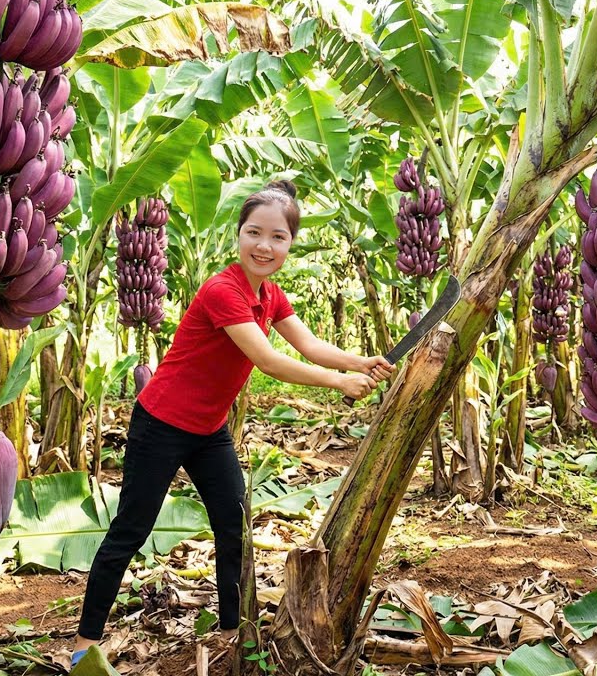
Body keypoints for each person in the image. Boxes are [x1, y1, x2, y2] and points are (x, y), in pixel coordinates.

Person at [71, 181, 393, 665]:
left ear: (290, 243)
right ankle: (84, 646)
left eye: (278, 236)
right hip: (161, 423)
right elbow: (267, 360)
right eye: (254, 232)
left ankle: (231, 631)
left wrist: (358, 361)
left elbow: (307, 345)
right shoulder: (223, 290)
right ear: (238, 235)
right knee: (130, 531)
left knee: (233, 526)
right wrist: (337, 382)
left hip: (207, 431)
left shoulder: (269, 294)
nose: (264, 245)